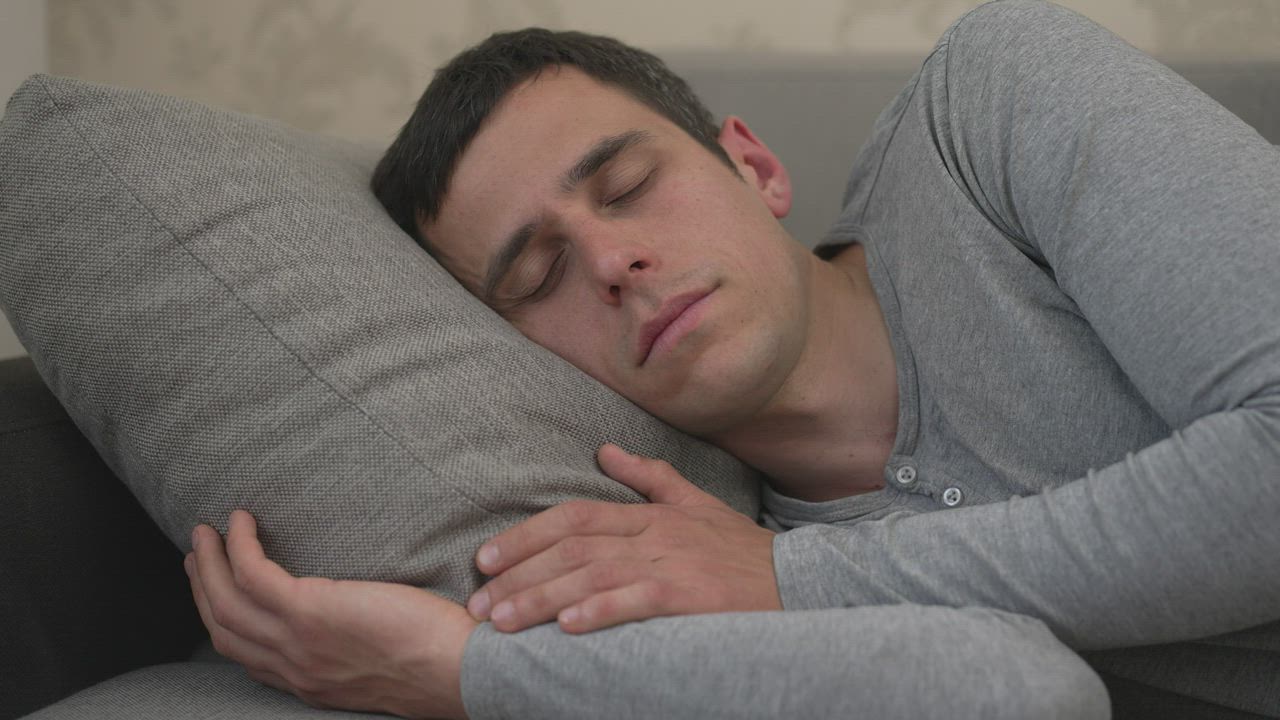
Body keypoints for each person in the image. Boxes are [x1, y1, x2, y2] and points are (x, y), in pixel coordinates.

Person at [184, 1, 1280, 718]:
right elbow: (1009, 694)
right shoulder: (689, 565)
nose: (612, 261)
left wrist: (793, 583)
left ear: (751, 166)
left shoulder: (986, 106)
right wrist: (470, 671)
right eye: (538, 276)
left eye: (626, 187)